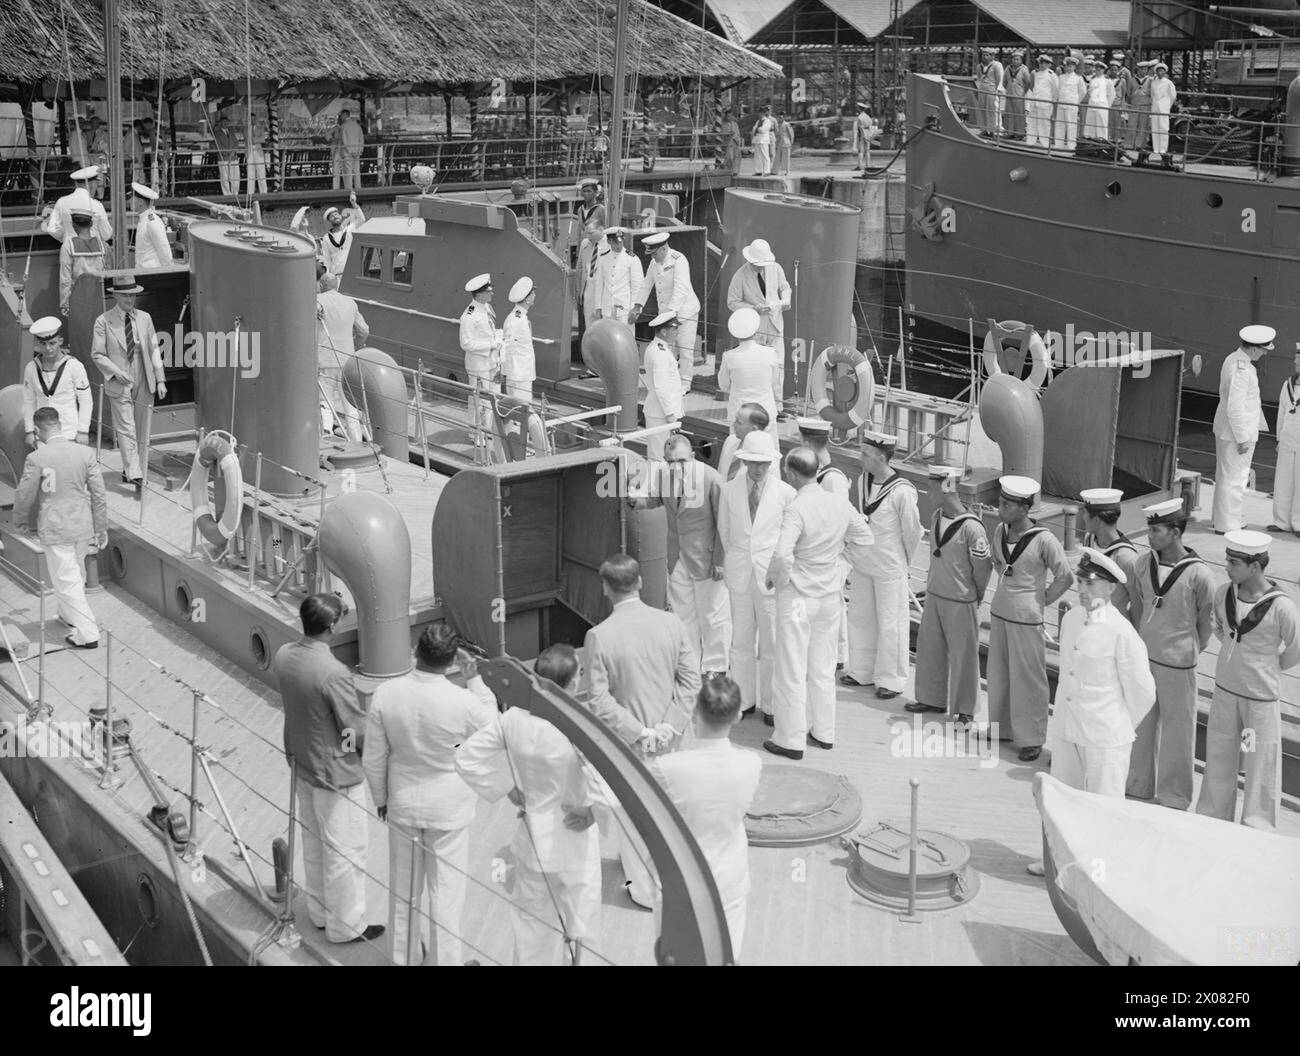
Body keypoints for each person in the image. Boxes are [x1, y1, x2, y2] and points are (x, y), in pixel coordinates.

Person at [456, 644, 603, 966]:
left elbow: (465, 758)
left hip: (532, 840)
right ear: (571, 682)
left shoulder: (513, 719)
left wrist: (507, 789)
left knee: (531, 929)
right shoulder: (579, 725)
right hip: (574, 841)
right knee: (582, 931)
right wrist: (593, 812)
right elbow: (609, 781)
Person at [363, 623, 494, 965]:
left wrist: (380, 799)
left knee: (404, 891)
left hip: (402, 802)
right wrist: (474, 678)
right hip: (449, 809)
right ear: (452, 660)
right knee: (446, 896)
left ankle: (402, 958)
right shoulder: (463, 700)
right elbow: (494, 729)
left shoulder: (386, 694)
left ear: (416, 653)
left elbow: (373, 756)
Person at [1026, 548, 1157, 877]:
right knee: (1062, 801)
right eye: (1081, 581)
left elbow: (1143, 692)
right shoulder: (1071, 619)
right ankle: (1056, 859)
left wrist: (1117, 728)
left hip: (1105, 735)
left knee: (1105, 807)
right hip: (1069, 728)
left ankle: (1101, 872)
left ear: (1110, 588)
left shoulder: (1122, 632)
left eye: (1092, 583)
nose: (1083, 589)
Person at [581, 553, 701, 908]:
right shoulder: (671, 623)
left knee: (634, 822)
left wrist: (640, 732)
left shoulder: (598, 636)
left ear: (605, 588)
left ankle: (646, 892)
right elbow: (691, 682)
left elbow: (599, 701)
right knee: (675, 817)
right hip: (676, 744)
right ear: (641, 582)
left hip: (632, 751)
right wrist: (669, 725)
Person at [273, 594, 383, 945]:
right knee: (345, 852)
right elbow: (353, 728)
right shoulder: (334, 672)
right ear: (333, 626)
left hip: (301, 763)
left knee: (314, 842)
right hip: (335, 775)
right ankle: (346, 927)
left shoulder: (285, 655)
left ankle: (319, 914)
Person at [764, 447, 874, 759]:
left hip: (799, 596)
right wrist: (843, 564)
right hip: (829, 596)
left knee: (791, 667)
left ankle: (790, 738)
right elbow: (866, 538)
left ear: (791, 473)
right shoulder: (839, 503)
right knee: (823, 668)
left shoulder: (797, 508)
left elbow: (783, 553)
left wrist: (775, 579)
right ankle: (824, 732)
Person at [648, 676, 761, 959]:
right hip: (729, 877)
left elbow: (627, 789)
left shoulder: (668, 767)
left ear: (695, 711)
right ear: (737, 716)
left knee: (675, 956)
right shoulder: (752, 763)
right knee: (726, 955)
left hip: (679, 879)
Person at [1195, 530, 1299, 830]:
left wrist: (1269, 668)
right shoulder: (1223, 593)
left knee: (1257, 763)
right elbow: (1220, 627)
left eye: (1234, 562)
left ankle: (1257, 825)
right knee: (1219, 757)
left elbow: (1295, 648)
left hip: (1258, 702)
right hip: (1227, 694)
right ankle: (1213, 818)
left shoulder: (1282, 607)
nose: (1227, 567)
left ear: (1255, 566)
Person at [1125, 498, 1214, 809]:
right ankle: (1137, 784)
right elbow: (1137, 605)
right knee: (1141, 726)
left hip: (1179, 665)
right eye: (1150, 528)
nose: (1150, 535)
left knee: (1179, 730)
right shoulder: (1141, 563)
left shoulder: (1199, 574)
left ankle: (1174, 795)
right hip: (1145, 657)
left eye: (1157, 529)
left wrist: (1190, 649)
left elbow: (1206, 621)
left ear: (1176, 532)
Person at [986, 476, 1073, 761]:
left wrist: (1043, 599)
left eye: (1007, 504)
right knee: (999, 673)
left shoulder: (1044, 540)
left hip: (1027, 618)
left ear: (1025, 508)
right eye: (1000, 502)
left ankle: (1031, 737)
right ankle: (1001, 727)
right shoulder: (1000, 530)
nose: (1001, 508)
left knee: (1029, 679)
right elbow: (999, 563)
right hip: (1001, 611)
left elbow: (1065, 575)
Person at [12, 407, 106, 650]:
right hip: (82, 525)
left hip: (55, 527)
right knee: (76, 574)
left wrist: (20, 521)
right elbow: (99, 494)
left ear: (40, 429)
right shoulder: (85, 453)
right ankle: (67, 615)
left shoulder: (36, 459)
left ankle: (88, 633)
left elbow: (25, 494)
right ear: (58, 424)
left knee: (66, 580)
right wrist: (101, 526)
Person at [717, 430, 794, 721]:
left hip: (770, 577)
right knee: (740, 641)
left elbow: (789, 538)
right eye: (753, 462)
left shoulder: (786, 494)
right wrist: (737, 559)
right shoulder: (728, 490)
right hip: (740, 573)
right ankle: (744, 700)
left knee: (772, 644)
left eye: (763, 463)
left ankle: (772, 705)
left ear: (772, 463)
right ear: (744, 461)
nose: (759, 468)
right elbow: (725, 532)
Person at [907, 466, 992, 726]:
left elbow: (983, 568)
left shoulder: (972, 529)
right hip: (935, 593)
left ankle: (965, 709)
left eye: (932, 486)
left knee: (964, 657)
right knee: (930, 649)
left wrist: (975, 596)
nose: (928, 491)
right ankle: (932, 698)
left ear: (945, 487)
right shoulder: (936, 516)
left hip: (960, 599)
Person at [637, 434, 729, 675]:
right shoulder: (664, 476)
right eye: (670, 462)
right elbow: (657, 499)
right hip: (677, 557)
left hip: (705, 559)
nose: (675, 467)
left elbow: (725, 523)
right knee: (682, 615)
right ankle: (689, 664)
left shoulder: (711, 479)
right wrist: (637, 502)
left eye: (680, 462)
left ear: (692, 457)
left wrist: (720, 561)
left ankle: (715, 666)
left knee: (711, 615)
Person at [842, 431, 921, 700]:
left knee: (891, 623)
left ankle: (891, 679)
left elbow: (913, 532)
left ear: (879, 457)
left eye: (865, 453)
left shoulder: (902, 492)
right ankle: (862, 670)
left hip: (889, 566)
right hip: (864, 563)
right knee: (860, 617)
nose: (860, 457)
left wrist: (903, 561)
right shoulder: (863, 481)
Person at [90, 274, 167, 493]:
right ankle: (136, 475)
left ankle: (134, 468)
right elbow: (97, 354)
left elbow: (154, 350)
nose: (129, 299)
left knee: (142, 429)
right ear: (115, 295)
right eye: (125, 295)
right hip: (120, 380)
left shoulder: (145, 318)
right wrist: (116, 372)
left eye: (132, 295)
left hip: (144, 377)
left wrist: (160, 379)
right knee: (126, 428)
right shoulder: (103, 321)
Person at [1212, 324, 1272, 533]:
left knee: (1229, 477)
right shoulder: (1242, 369)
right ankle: (1227, 525)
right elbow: (1235, 407)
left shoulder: (1234, 359)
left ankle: (1228, 518)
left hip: (1229, 430)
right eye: (1264, 349)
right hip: (1236, 433)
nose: (1265, 353)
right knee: (1234, 480)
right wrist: (1242, 438)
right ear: (1254, 349)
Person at [631, 231, 701, 395]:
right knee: (668, 350)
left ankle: (685, 384)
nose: (653, 257)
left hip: (684, 313)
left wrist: (671, 313)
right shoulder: (653, 263)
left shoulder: (679, 260)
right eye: (652, 254)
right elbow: (646, 285)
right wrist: (637, 306)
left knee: (685, 349)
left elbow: (681, 288)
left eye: (655, 253)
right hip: (667, 314)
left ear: (663, 249)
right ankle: (670, 380)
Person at [726, 239, 791, 405]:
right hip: (755, 328)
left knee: (778, 365)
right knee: (758, 366)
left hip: (775, 324)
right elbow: (732, 302)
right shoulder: (740, 276)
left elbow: (784, 287)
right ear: (750, 260)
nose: (761, 267)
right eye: (758, 264)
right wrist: (754, 308)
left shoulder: (775, 268)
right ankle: (758, 403)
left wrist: (785, 300)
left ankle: (777, 405)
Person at [316, 270, 370, 441]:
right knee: (351, 406)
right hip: (347, 360)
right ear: (336, 286)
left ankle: (327, 437)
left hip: (325, 359)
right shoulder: (350, 303)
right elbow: (364, 330)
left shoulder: (318, 300)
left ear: (322, 285)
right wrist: (357, 345)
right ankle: (356, 441)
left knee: (325, 402)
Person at [23, 318, 92, 446]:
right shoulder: (31, 368)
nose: (48, 348)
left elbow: (86, 400)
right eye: (43, 344)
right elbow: (29, 401)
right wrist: (29, 431)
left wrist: (83, 431)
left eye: (52, 343)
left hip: (69, 432)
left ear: (60, 341)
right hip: (43, 435)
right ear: (37, 344)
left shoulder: (74, 366)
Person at [717, 307, 781, 440]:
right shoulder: (770, 353)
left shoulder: (729, 356)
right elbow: (775, 383)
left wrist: (738, 389)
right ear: (756, 330)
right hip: (766, 413)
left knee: (738, 453)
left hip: (739, 415)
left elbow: (723, 386)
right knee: (769, 453)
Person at [1078, 488, 1142, 620]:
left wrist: (1132, 636)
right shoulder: (1088, 540)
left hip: (1113, 629)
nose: (1083, 517)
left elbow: (1138, 603)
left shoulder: (1127, 557)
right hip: (1090, 621)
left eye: (1085, 513)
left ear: (1097, 519)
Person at [459, 273, 502, 436]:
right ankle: (476, 433)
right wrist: (490, 345)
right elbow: (466, 343)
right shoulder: (469, 316)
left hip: (491, 362)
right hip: (478, 365)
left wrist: (498, 338)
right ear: (479, 294)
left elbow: (489, 330)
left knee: (492, 398)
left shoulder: (486, 308)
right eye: (489, 291)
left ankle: (489, 430)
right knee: (479, 401)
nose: (492, 293)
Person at [641, 311, 684, 461]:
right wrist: (670, 414)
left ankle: (661, 483)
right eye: (674, 329)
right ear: (664, 331)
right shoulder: (660, 352)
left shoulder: (659, 348)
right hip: (661, 414)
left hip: (661, 412)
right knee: (658, 456)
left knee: (664, 455)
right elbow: (661, 387)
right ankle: (655, 484)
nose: (677, 332)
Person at [589, 227, 644, 324]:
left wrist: (634, 309)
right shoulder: (602, 258)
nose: (619, 245)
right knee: (607, 337)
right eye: (616, 242)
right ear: (609, 241)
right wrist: (598, 307)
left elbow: (637, 286)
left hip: (625, 310)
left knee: (626, 337)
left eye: (621, 242)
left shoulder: (632, 259)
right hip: (607, 309)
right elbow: (599, 285)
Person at [44, 167, 111, 244]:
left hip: (70, 250)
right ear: (92, 184)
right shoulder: (97, 205)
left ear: (76, 184)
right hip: (94, 252)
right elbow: (106, 234)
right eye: (96, 183)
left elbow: (52, 229)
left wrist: (67, 237)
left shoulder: (61, 202)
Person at [1272, 349, 1300, 533]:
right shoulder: (1288, 384)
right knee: (1282, 481)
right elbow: (1281, 413)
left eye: (1298, 359)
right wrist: (1279, 438)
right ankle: (1281, 521)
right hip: (1288, 438)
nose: (1295, 362)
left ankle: (1299, 523)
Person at [58, 211, 105, 316]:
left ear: (73, 225)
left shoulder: (67, 246)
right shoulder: (102, 245)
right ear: (91, 224)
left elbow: (65, 279)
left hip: (78, 298)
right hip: (99, 296)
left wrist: (65, 304)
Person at [575, 178, 605, 325]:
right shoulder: (580, 209)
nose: (586, 194)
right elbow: (579, 230)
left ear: (595, 193)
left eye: (589, 191)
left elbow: (605, 227)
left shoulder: (600, 209)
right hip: (585, 247)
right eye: (584, 191)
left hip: (597, 245)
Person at [716, 402, 771, 483]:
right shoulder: (730, 441)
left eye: (739, 422)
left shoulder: (767, 457)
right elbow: (720, 475)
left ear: (754, 429)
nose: (733, 425)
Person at [319, 193, 366, 279]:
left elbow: (361, 219)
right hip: (336, 274)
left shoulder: (349, 229)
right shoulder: (326, 238)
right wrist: (328, 275)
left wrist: (354, 204)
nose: (335, 216)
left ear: (340, 216)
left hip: (352, 272)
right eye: (332, 216)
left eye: (336, 214)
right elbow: (327, 258)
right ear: (329, 221)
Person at [131, 183, 173, 270]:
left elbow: (164, 249)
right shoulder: (144, 219)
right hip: (143, 272)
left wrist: (169, 272)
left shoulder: (152, 222)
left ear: (141, 202)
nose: (129, 201)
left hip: (152, 273)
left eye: (132, 199)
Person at [1026, 54, 1058, 148]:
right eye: (1040, 63)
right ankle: (1030, 142)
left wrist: (1052, 102)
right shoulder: (1035, 73)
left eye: (1044, 63)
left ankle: (1045, 144)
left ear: (1049, 65)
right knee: (1032, 123)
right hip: (1035, 102)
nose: (1041, 65)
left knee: (1044, 124)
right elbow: (1032, 87)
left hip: (1045, 103)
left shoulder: (1051, 75)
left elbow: (1055, 90)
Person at [1054, 55, 1085, 150]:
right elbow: (1057, 90)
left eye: (1071, 66)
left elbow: (1083, 91)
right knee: (1059, 124)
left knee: (1071, 125)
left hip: (1071, 105)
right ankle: (1058, 144)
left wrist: (1076, 101)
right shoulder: (1061, 77)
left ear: (1075, 67)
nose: (1069, 67)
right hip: (1061, 103)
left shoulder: (1078, 78)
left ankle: (1071, 145)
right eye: (1067, 65)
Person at [1081, 57, 1115, 139]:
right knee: (1090, 125)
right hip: (1092, 105)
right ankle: (1090, 140)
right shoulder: (1093, 80)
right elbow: (1089, 92)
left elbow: (1112, 95)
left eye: (1099, 69)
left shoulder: (1107, 81)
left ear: (1103, 70)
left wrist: (1106, 106)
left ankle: (1102, 141)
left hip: (1102, 106)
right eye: (1096, 69)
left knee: (1101, 126)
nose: (1097, 71)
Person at [973, 47, 1005, 134]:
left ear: (992, 56)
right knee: (982, 109)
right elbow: (979, 78)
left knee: (992, 109)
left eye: (987, 55)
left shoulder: (997, 65)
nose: (985, 57)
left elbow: (1000, 77)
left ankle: (995, 129)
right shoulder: (979, 66)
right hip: (982, 89)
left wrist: (998, 89)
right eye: (983, 55)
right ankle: (984, 129)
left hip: (992, 89)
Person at [1149, 61, 1176, 157]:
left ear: (1165, 72)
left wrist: (1167, 106)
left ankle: (1163, 148)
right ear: (1156, 72)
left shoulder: (1169, 83)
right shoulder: (1153, 83)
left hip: (1164, 108)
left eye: (1162, 71)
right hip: (1155, 107)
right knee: (1155, 127)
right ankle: (1156, 148)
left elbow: (1173, 96)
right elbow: (1152, 95)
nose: (1160, 72)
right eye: (1158, 71)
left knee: (1163, 128)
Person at [1002, 52, 1032, 139]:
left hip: (1019, 96)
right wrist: (1009, 89)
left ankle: (1020, 133)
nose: (1015, 61)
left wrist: (1022, 92)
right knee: (1009, 114)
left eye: (1017, 59)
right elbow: (1004, 82)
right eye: (1014, 59)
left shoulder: (1023, 69)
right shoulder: (1008, 69)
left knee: (1019, 114)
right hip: (1009, 95)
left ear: (1021, 60)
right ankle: (1010, 132)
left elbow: (1028, 83)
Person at [1127, 60, 1155, 150]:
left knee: (1143, 126)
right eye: (1142, 69)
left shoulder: (1150, 80)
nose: (1143, 71)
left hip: (1146, 105)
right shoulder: (1132, 80)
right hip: (1135, 105)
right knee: (1132, 125)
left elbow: (1153, 93)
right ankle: (1129, 144)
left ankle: (1140, 145)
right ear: (1138, 70)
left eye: (1145, 69)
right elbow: (1128, 92)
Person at [336, 109, 365, 192]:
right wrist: (360, 150)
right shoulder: (357, 126)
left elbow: (344, 140)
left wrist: (349, 150)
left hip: (347, 152)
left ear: (345, 115)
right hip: (357, 151)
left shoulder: (344, 126)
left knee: (347, 172)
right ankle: (358, 188)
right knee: (356, 171)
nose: (340, 117)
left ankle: (349, 189)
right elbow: (361, 139)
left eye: (341, 115)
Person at [213, 112, 241, 197]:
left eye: (227, 122)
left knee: (235, 176)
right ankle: (227, 194)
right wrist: (228, 152)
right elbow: (218, 146)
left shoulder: (231, 131)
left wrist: (233, 151)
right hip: (223, 158)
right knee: (225, 177)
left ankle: (235, 193)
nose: (226, 123)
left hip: (233, 157)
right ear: (221, 123)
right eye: (224, 122)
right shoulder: (217, 133)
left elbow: (236, 142)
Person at [245, 110, 269, 196]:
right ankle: (250, 193)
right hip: (249, 151)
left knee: (261, 172)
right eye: (251, 119)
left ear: (256, 120)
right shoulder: (245, 129)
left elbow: (263, 139)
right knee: (250, 173)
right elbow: (247, 139)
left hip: (258, 152)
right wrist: (256, 139)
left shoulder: (261, 128)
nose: (252, 121)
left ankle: (264, 192)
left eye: (254, 119)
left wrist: (255, 140)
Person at [1106, 58, 1129, 141]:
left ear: (1118, 70)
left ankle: (1116, 139)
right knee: (1108, 123)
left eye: (1115, 70)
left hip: (1117, 105)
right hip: (1108, 104)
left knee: (1117, 123)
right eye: (1112, 70)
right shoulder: (1106, 80)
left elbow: (1123, 95)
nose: (1114, 72)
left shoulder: (1122, 81)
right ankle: (1108, 138)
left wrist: (1123, 107)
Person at [751, 104, 775, 176]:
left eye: (760, 112)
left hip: (763, 140)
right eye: (759, 112)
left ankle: (767, 171)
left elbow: (763, 129)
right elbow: (753, 129)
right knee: (757, 156)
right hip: (757, 140)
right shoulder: (758, 121)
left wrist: (757, 129)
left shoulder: (767, 121)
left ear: (763, 113)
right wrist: (757, 129)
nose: (759, 114)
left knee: (765, 155)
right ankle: (758, 171)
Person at [852, 103, 878, 170]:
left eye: (858, 108)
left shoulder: (859, 117)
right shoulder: (867, 117)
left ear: (860, 109)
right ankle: (867, 165)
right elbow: (870, 126)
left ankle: (859, 165)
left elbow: (859, 128)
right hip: (868, 135)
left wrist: (859, 136)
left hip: (862, 135)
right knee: (867, 151)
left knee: (861, 151)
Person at [719, 109, 742, 175]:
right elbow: (723, 133)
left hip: (736, 142)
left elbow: (738, 133)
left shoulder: (735, 124)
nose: (729, 117)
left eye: (730, 116)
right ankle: (729, 170)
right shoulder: (724, 124)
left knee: (737, 157)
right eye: (728, 116)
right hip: (728, 142)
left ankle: (735, 171)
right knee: (729, 157)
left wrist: (738, 141)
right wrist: (728, 134)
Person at [774, 111, 794, 175]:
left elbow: (791, 134)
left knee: (786, 158)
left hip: (786, 143)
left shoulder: (787, 124)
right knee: (777, 158)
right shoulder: (777, 125)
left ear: (783, 117)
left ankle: (787, 171)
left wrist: (791, 142)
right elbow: (777, 135)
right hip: (779, 143)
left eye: (781, 117)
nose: (779, 118)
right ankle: (775, 171)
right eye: (778, 117)